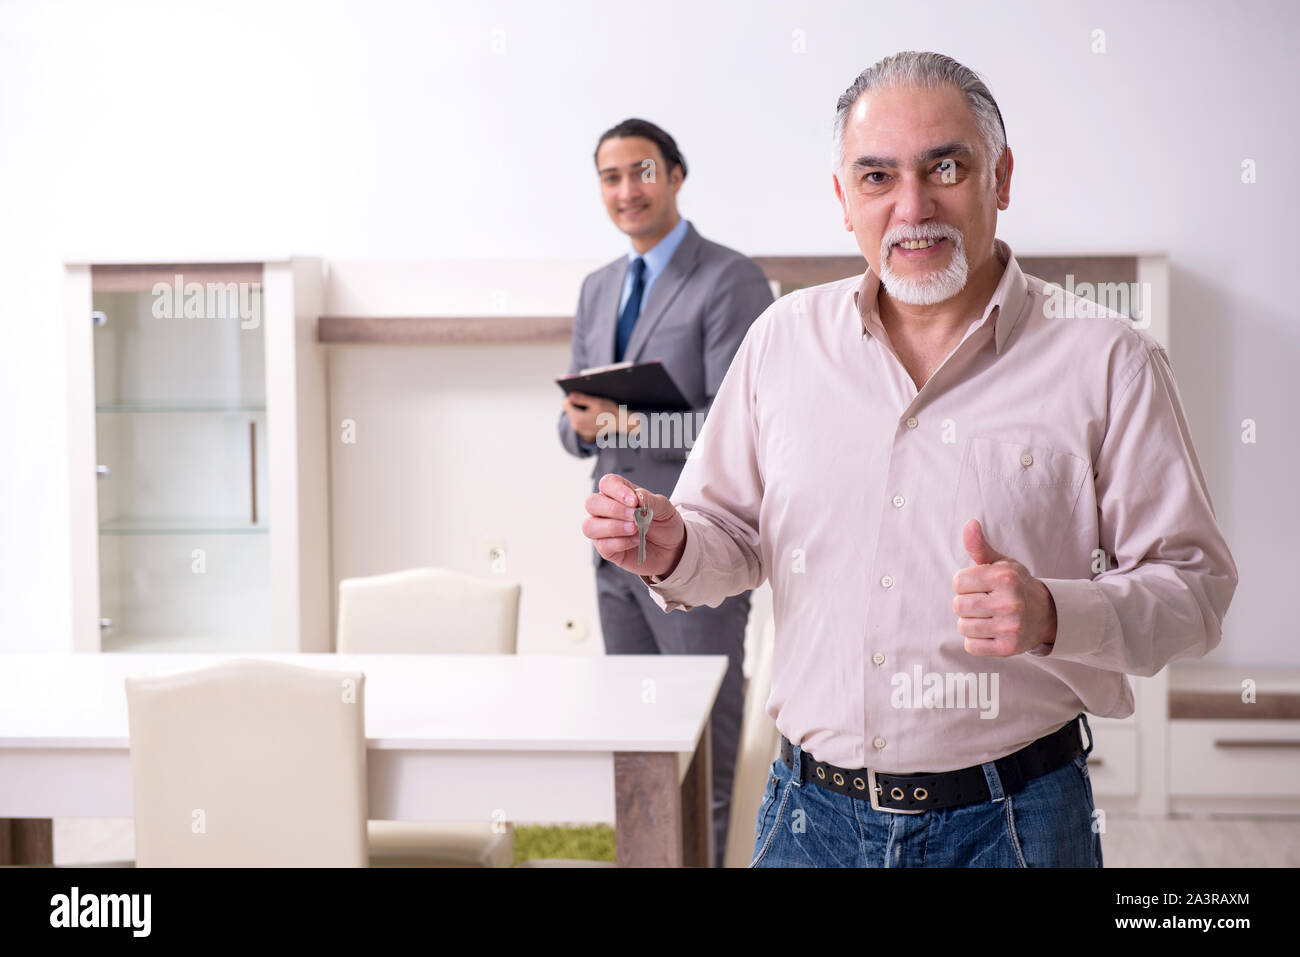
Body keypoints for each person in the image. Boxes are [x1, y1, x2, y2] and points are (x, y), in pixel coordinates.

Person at [579, 53, 1238, 867]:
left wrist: (1057, 614)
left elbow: (1196, 590)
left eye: (945, 167)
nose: (912, 206)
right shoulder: (783, 343)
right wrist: (676, 545)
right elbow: (732, 538)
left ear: (999, 178)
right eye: (877, 176)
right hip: (806, 819)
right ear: (843, 200)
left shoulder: (1110, 358)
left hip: (1014, 824)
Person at [558, 118, 774, 866]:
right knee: (638, 756)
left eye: (642, 171)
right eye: (611, 177)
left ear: (676, 176)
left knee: (699, 753)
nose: (627, 190)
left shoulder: (730, 279)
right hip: (613, 552)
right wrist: (587, 427)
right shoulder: (597, 289)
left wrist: (620, 424)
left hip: (694, 548)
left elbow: (730, 425)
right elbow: (576, 427)